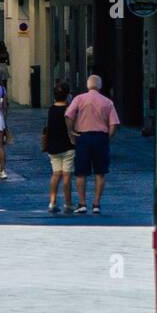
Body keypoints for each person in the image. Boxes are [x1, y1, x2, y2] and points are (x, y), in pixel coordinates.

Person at [65, 74, 120, 215]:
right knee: (100, 172)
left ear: (87, 85)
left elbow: (69, 115)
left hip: (83, 137)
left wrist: (71, 132)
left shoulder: (79, 99)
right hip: (101, 137)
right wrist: (108, 137)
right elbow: (114, 124)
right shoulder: (107, 102)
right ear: (100, 86)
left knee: (81, 172)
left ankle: (82, 203)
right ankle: (96, 204)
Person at [44, 81, 76, 215]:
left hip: (53, 146)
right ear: (68, 95)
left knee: (56, 174)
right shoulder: (68, 111)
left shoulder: (51, 110)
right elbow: (71, 129)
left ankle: (52, 202)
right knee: (67, 176)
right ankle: (68, 204)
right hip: (67, 146)